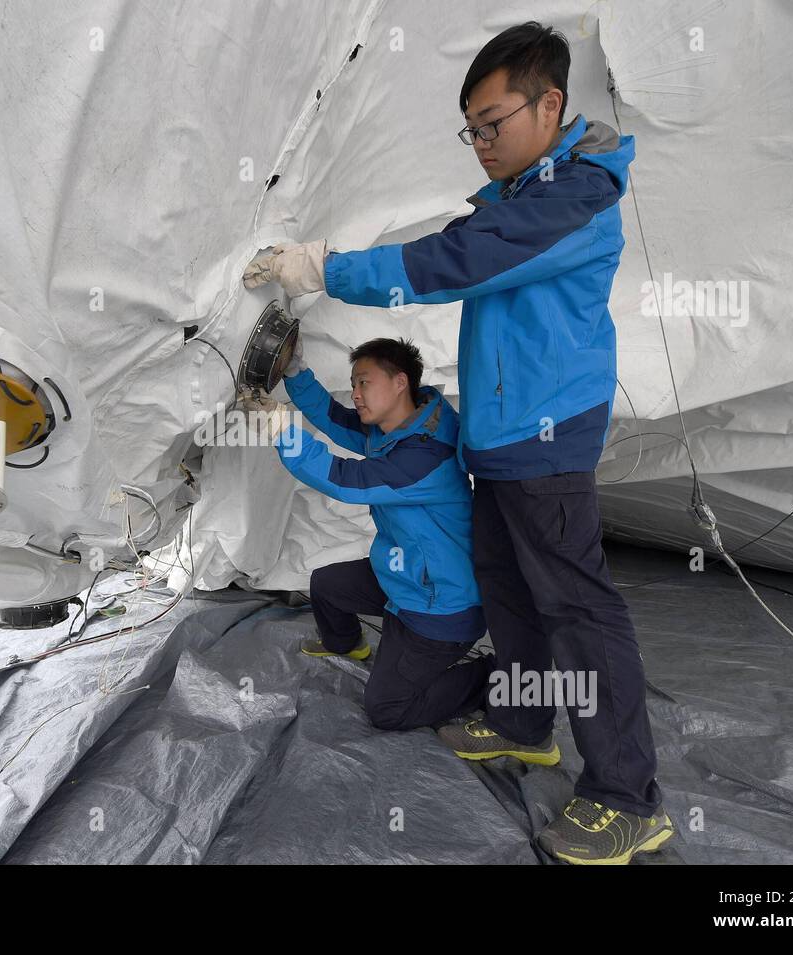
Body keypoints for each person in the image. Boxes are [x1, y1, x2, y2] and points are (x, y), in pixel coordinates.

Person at [241, 21, 673, 864]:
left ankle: (627, 795)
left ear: (550, 105)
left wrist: (325, 267)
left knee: (579, 609)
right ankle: (522, 721)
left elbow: (452, 263)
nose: (478, 143)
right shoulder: (519, 194)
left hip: (547, 445)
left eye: (492, 122)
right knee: (510, 594)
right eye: (468, 129)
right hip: (500, 439)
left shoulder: (573, 198)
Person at [238, 336, 493, 732]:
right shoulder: (400, 423)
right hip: (406, 576)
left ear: (400, 382)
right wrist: (295, 372)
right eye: (354, 383)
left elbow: (345, 479)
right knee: (327, 583)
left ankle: (492, 677)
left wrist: (280, 431)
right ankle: (346, 643)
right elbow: (337, 421)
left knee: (388, 709)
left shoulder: (425, 455)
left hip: (439, 605)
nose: (355, 394)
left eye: (363, 383)